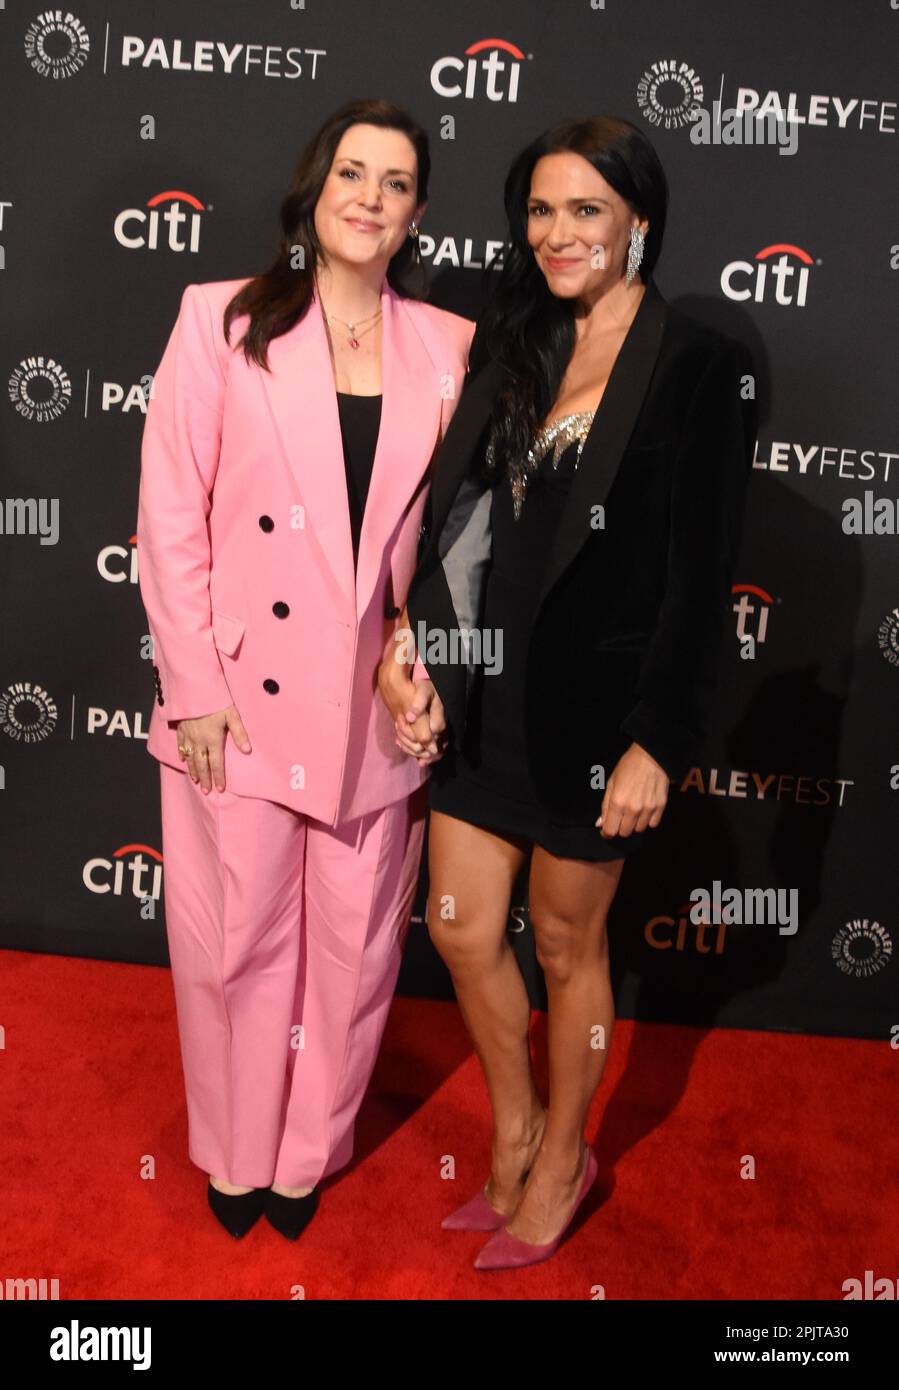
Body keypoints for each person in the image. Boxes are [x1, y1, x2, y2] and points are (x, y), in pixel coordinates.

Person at [379, 116, 758, 1270]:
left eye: (585, 210)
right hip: (483, 698)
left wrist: (659, 739)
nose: (557, 233)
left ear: (637, 220)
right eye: (539, 210)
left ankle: (560, 1161)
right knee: (453, 925)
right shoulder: (518, 331)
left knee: (560, 940)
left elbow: (702, 577)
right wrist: (419, 643)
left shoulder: (693, 359)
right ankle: (514, 1128)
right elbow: (458, 519)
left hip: (596, 719)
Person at [136, 99, 474, 1240]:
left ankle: (305, 1153)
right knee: (236, 948)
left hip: (367, 710)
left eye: (393, 182)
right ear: (314, 187)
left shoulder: (448, 347)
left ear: (417, 211)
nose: (368, 197)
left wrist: (421, 651)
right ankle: (234, 1153)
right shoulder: (218, 319)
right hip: (236, 701)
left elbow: (453, 539)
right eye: (351, 172)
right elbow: (170, 519)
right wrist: (191, 691)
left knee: (352, 947)